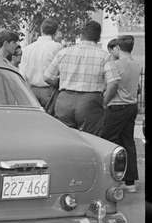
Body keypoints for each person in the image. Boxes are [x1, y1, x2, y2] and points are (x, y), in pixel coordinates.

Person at [43, 19, 119, 136]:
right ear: (99, 38)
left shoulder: (63, 52)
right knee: (90, 140)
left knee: (64, 138)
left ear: (81, 35)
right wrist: (104, 103)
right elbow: (113, 83)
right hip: (90, 102)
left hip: (64, 100)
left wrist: (61, 83)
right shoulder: (105, 56)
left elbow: (47, 77)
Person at [101, 35, 141, 192]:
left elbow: (110, 84)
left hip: (117, 107)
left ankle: (106, 179)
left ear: (118, 47)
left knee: (105, 140)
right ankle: (130, 183)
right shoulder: (136, 65)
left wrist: (104, 102)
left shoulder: (115, 65)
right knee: (128, 143)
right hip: (132, 106)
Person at [19, 18, 62, 108]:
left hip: (32, 91)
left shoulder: (27, 49)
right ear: (56, 32)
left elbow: (22, 74)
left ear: (41, 30)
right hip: (49, 91)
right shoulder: (56, 47)